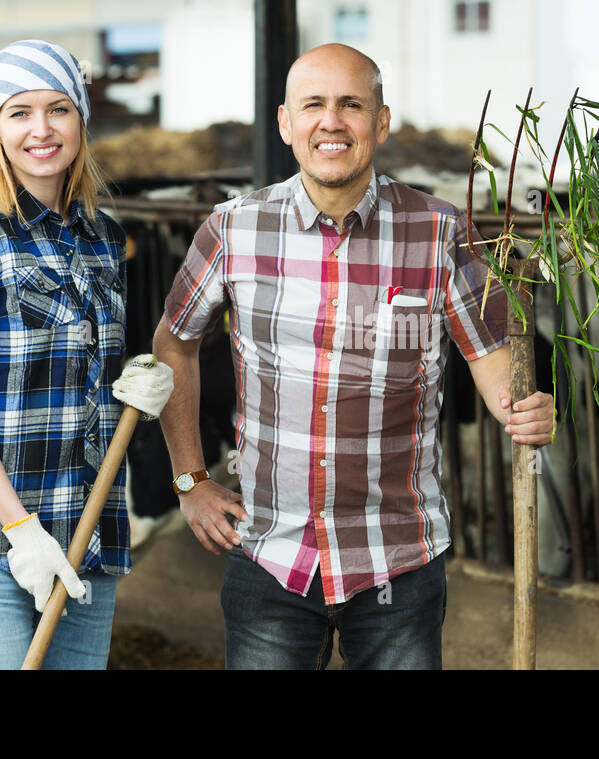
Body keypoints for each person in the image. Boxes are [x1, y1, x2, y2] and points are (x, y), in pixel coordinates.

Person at [154, 43, 555, 669]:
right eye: (313, 105)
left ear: (382, 121)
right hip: (269, 557)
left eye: (352, 105)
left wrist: (523, 412)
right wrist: (190, 480)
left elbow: (493, 361)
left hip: (398, 559)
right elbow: (173, 343)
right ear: (287, 123)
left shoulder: (441, 231)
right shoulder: (233, 229)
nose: (332, 122)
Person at [0, 39, 171, 669]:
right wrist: (20, 529)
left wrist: (135, 383)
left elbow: (84, 378)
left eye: (59, 109)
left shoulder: (105, 239)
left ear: (82, 119)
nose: (42, 130)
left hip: (89, 535)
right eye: (19, 112)